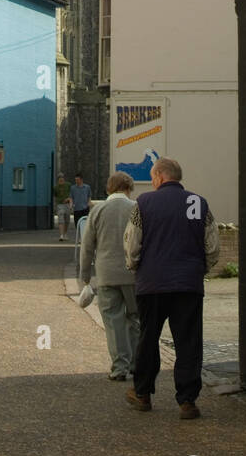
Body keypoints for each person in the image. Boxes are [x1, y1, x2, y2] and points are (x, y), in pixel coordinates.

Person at [123, 156, 219, 419]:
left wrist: (136, 268)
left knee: (148, 338)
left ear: (160, 177)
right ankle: (187, 401)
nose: (153, 181)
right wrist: (200, 270)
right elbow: (212, 246)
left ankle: (142, 393)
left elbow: (132, 244)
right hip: (188, 284)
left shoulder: (143, 203)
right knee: (188, 341)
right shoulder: (199, 203)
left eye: (153, 177)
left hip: (152, 283)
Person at [79, 172, 139, 380]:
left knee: (113, 321)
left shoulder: (98, 210)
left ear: (108, 189)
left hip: (106, 274)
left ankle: (119, 367)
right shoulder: (136, 208)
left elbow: (87, 246)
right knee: (135, 318)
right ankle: (135, 364)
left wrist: (85, 276)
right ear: (128, 188)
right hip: (134, 274)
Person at [54, 172, 72, 241]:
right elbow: (55, 195)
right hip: (60, 205)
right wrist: (57, 203)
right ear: (58, 180)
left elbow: (71, 193)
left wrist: (69, 199)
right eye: (59, 179)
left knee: (67, 220)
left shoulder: (68, 185)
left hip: (67, 204)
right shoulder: (56, 187)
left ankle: (65, 233)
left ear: (64, 179)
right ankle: (61, 235)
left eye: (62, 178)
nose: (61, 180)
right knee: (61, 220)